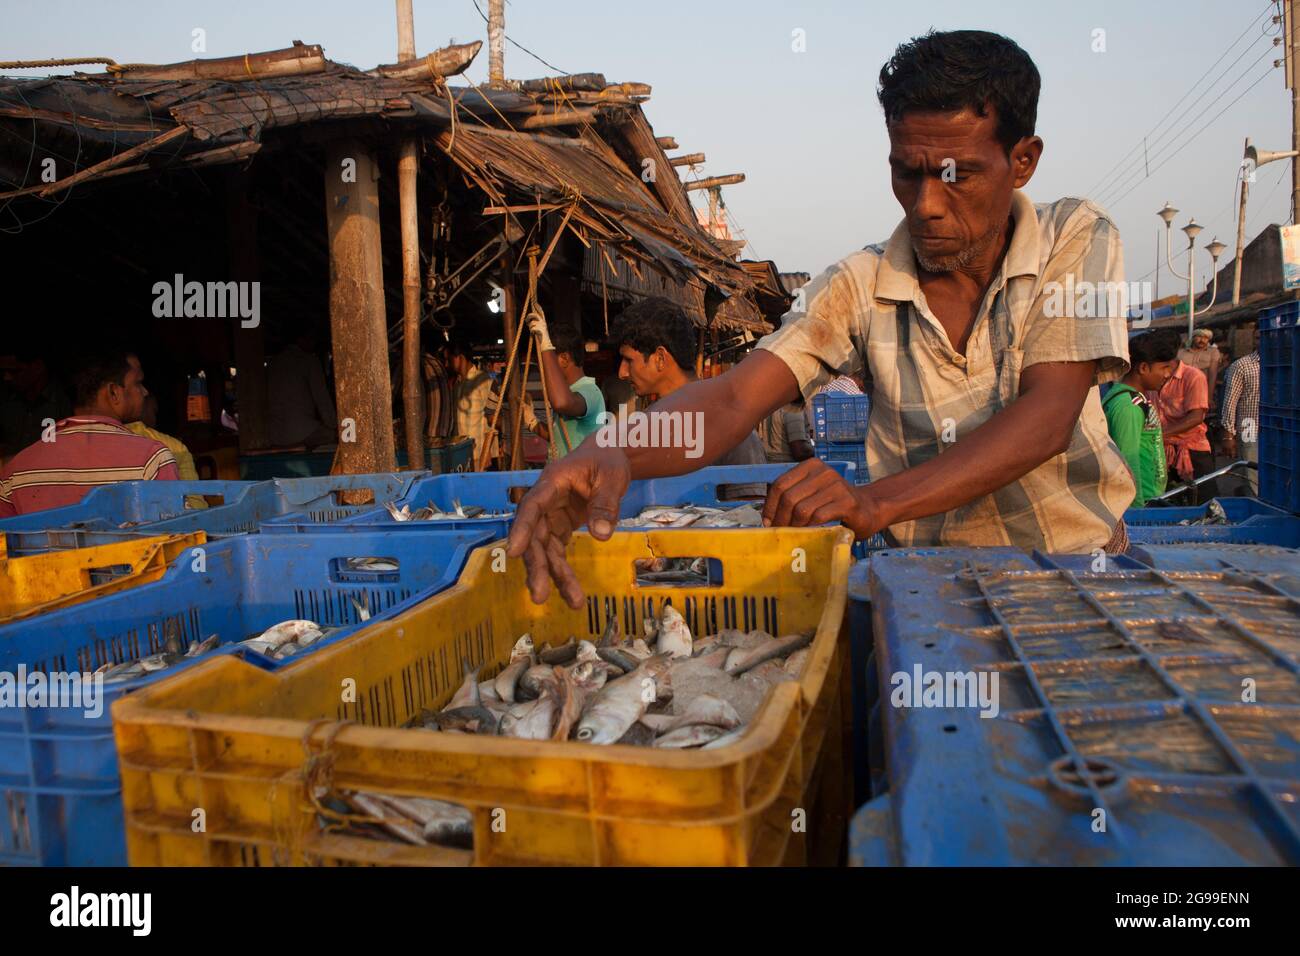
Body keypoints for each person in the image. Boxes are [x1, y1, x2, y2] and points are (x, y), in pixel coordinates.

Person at [508, 30, 1137, 607]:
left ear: (1022, 161)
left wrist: (873, 500)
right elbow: (730, 401)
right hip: (927, 591)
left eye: (957, 176)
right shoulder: (858, 285)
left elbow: (1049, 417)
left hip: (1076, 576)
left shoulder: (1073, 235)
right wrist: (611, 447)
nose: (928, 206)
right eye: (905, 174)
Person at [0, 350, 178, 516]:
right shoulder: (152, 458)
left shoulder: (14, 472)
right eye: (138, 382)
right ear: (113, 392)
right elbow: (177, 532)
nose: (145, 391)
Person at [1103, 330, 1176, 508]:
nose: (1167, 375)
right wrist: (1136, 507)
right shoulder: (1128, 406)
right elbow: (1128, 460)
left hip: (1150, 498)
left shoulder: (1137, 400)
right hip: (1139, 505)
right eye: (1164, 368)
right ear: (1143, 368)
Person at [526, 317, 606, 460]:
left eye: (546, 360)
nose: (541, 367)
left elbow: (561, 403)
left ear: (564, 359)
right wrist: (532, 422)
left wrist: (545, 345)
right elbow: (558, 437)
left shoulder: (590, 392)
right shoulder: (567, 392)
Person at [1149, 354, 1215, 503]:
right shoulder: (1151, 378)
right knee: (1160, 500)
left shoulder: (1193, 376)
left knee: (1205, 500)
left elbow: (1197, 417)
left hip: (1191, 447)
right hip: (1161, 449)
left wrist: (1159, 434)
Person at [126, 390, 207, 510]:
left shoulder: (93, 442)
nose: (144, 391)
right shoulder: (174, 448)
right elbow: (197, 508)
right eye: (154, 411)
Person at [266, 331, 337, 449]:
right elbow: (322, 399)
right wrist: (335, 426)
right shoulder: (309, 361)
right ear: (301, 339)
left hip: (274, 435)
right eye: (311, 339)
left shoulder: (273, 363)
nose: (313, 343)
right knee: (332, 437)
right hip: (301, 433)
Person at [0, 351, 72, 461]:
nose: (7, 377)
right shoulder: (5, 401)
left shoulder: (66, 403)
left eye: (15, 371)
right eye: (3, 372)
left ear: (38, 367)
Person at [443, 338, 498, 469]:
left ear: (459, 357)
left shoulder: (483, 380)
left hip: (481, 454)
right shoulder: (457, 385)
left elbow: (493, 419)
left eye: (448, 359)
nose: (446, 364)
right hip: (463, 455)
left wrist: (486, 451)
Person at [1220, 344, 1261, 494]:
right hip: (1249, 428)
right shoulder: (1241, 365)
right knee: (1252, 476)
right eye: (1257, 337)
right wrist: (1228, 435)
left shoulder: (1289, 362)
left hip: (1279, 429)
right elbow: (1230, 401)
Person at [1177, 329, 1222, 413]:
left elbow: (1212, 375)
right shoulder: (1181, 353)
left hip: (1202, 392)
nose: (1202, 340)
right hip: (1183, 391)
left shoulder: (1213, 352)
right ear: (1193, 338)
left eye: (1206, 338)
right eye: (1199, 337)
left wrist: (1209, 397)